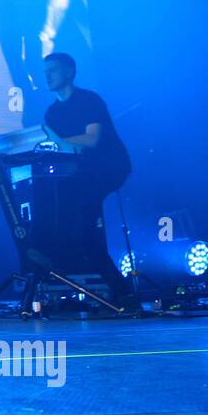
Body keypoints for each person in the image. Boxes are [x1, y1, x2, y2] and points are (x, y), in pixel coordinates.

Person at [40, 52, 135, 304]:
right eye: (45, 71)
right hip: (80, 173)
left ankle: (120, 289)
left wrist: (58, 143)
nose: (47, 75)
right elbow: (63, 149)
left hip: (108, 167)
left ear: (69, 72)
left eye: (53, 70)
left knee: (84, 224)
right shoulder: (51, 114)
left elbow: (91, 139)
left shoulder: (89, 100)